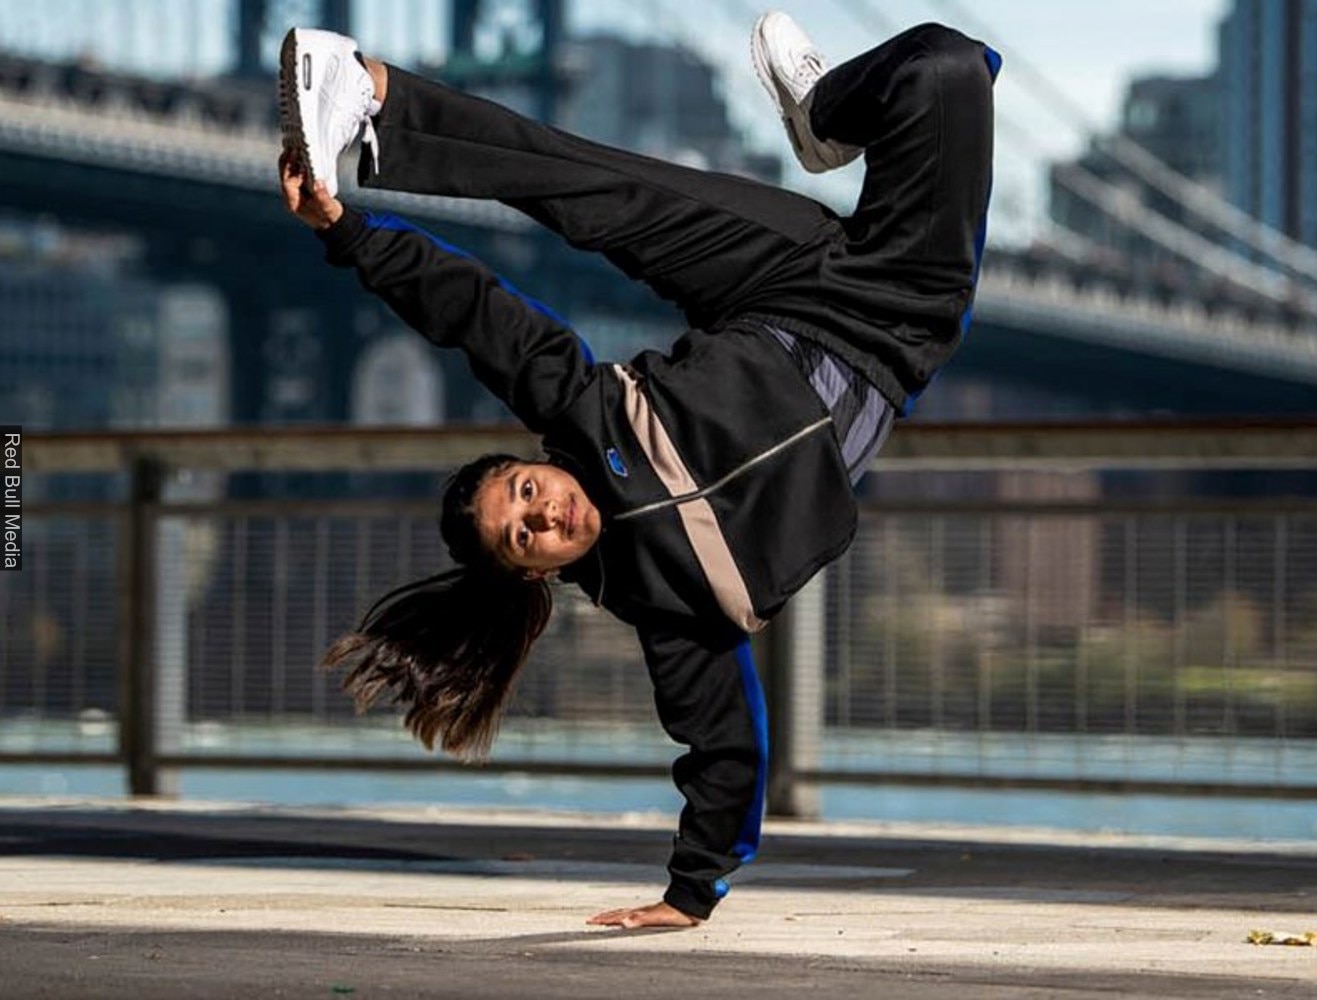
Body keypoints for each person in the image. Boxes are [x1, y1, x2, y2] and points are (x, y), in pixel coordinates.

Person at [278, 10, 1000, 929]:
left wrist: (348, 232)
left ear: (538, 462)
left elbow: (472, 314)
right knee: (946, 65)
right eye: (523, 537)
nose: (540, 516)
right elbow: (724, 744)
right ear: (537, 575)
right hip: (895, 322)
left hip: (778, 279)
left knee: (592, 188)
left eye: (525, 491)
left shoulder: (582, 413)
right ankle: (826, 118)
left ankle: (372, 98)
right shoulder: (663, 600)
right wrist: (689, 895)